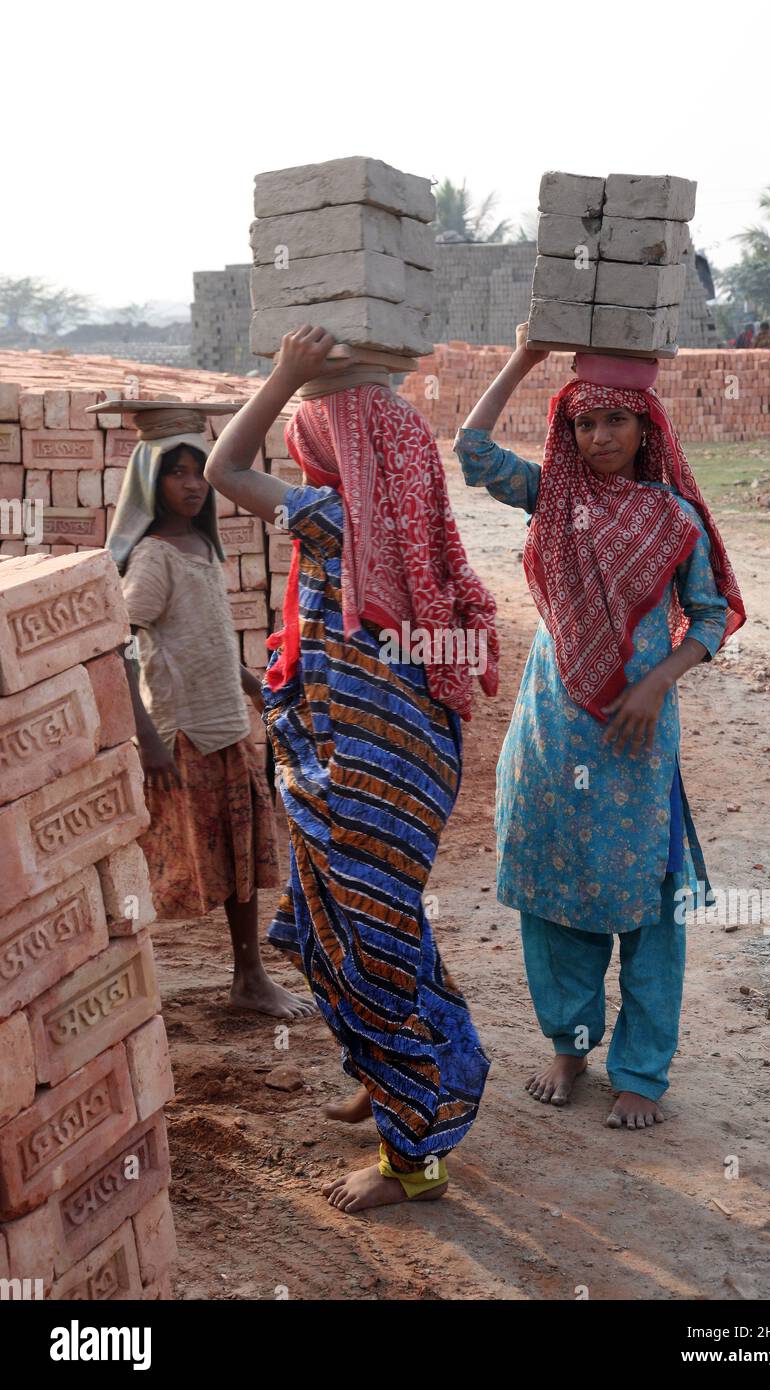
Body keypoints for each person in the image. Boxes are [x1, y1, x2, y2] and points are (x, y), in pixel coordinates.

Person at [205, 326, 498, 1212]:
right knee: (380, 921)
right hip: (397, 767)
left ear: (351, 463)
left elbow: (223, 469)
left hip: (353, 773)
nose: (307, 464)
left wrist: (286, 372)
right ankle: (389, 1078)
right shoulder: (422, 552)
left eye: (318, 449)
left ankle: (413, 1159)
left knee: (369, 939)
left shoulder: (335, 522)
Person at [453, 326, 746, 1130]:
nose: (600, 437)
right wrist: (523, 357)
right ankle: (569, 1044)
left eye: (616, 422)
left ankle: (641, 1071)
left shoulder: (675, 517)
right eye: (584, 423)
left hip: (636, 738)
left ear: (648, 428)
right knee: (554, 887)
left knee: (649, 901)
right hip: (552, 730)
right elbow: (472, 450)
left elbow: (713, 617)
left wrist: (659, 680)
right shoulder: (552, 498)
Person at [107, 402, 316, 1022]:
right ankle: (122, 980)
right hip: (182, 736)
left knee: (240, 857)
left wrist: (256, 688)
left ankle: (249, 977)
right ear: (151, 481)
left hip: (227, 726)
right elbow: (120, 647)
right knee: (165, 861)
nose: (194, 484)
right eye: (178, 473)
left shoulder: (199, 547)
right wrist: (146, 740)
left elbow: (208, 639)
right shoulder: (153, 558)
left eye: (200, 471)